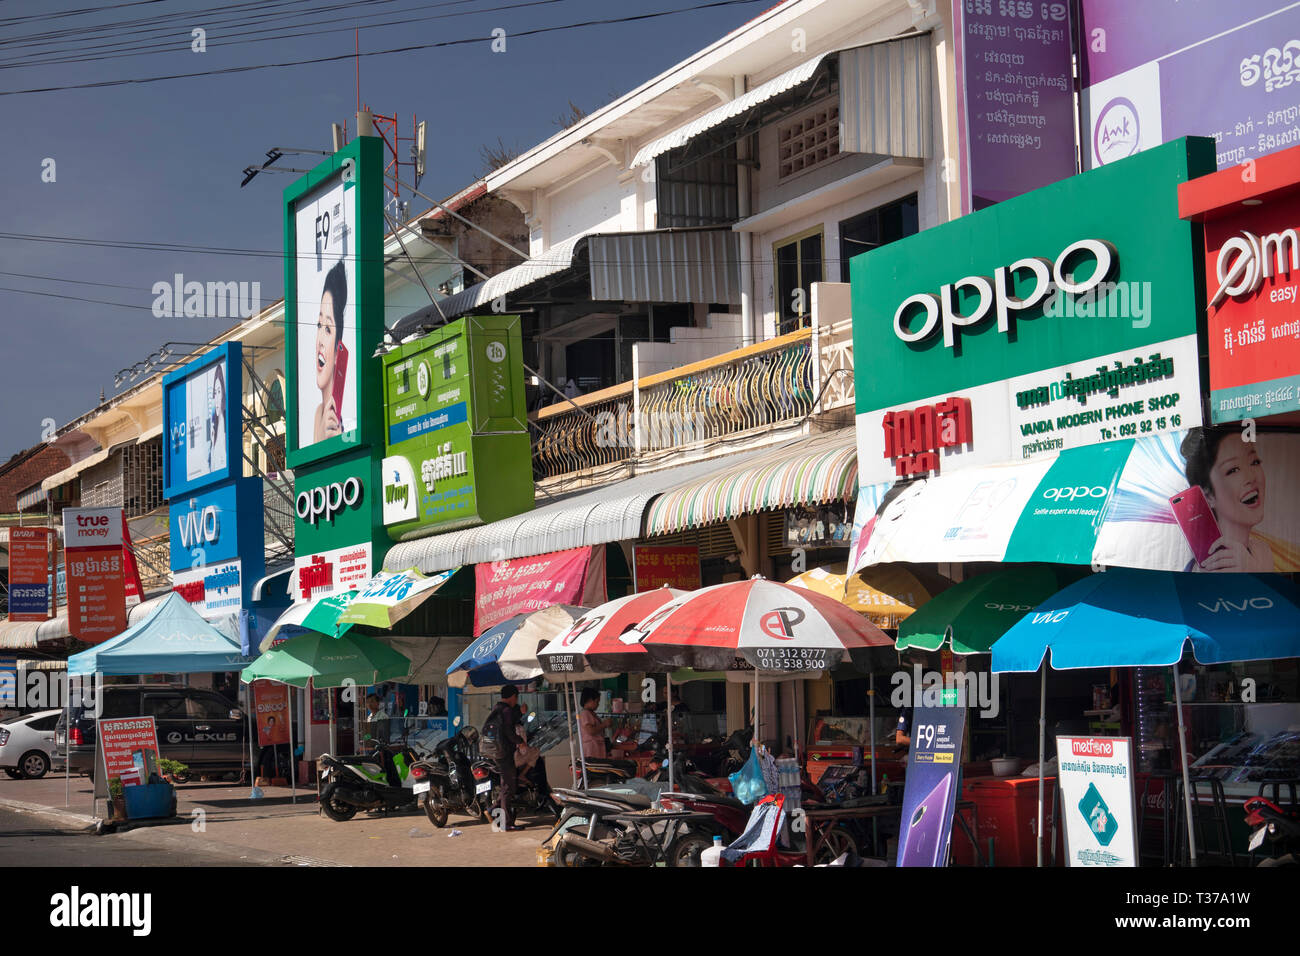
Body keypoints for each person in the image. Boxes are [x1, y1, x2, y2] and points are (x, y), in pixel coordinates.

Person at [1180, 426, 1300, 571]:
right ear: (1208, 496)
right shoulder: (1207, 565)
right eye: (1233, 470)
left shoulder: (1261, 551)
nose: (1251, 477)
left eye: (1254, 462)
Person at [312, 260, 348, 443]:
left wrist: (339, 440)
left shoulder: (346, 420)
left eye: (328, 329)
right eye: (319, 325)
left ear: (338, 350)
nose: (320, 341)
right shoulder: (319, 413)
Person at [482, 685, 527, 831]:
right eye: (516, 697)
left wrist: (520, 712)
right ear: (513, 696)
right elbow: (508, 730)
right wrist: (520, 742)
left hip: (495, 751)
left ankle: (492, 810)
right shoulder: (506, 710)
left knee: (506, 785)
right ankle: (506, 823)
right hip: (504, 752)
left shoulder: (497, 708)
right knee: (508, 787)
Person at [578, 688, 612, 761]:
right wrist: (604, 724)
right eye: (597, 702)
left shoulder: (591, 714)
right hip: (592, 749)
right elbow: (591, 731)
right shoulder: (585, 714)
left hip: (597, 749)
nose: (598, 704)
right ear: (589, 700)